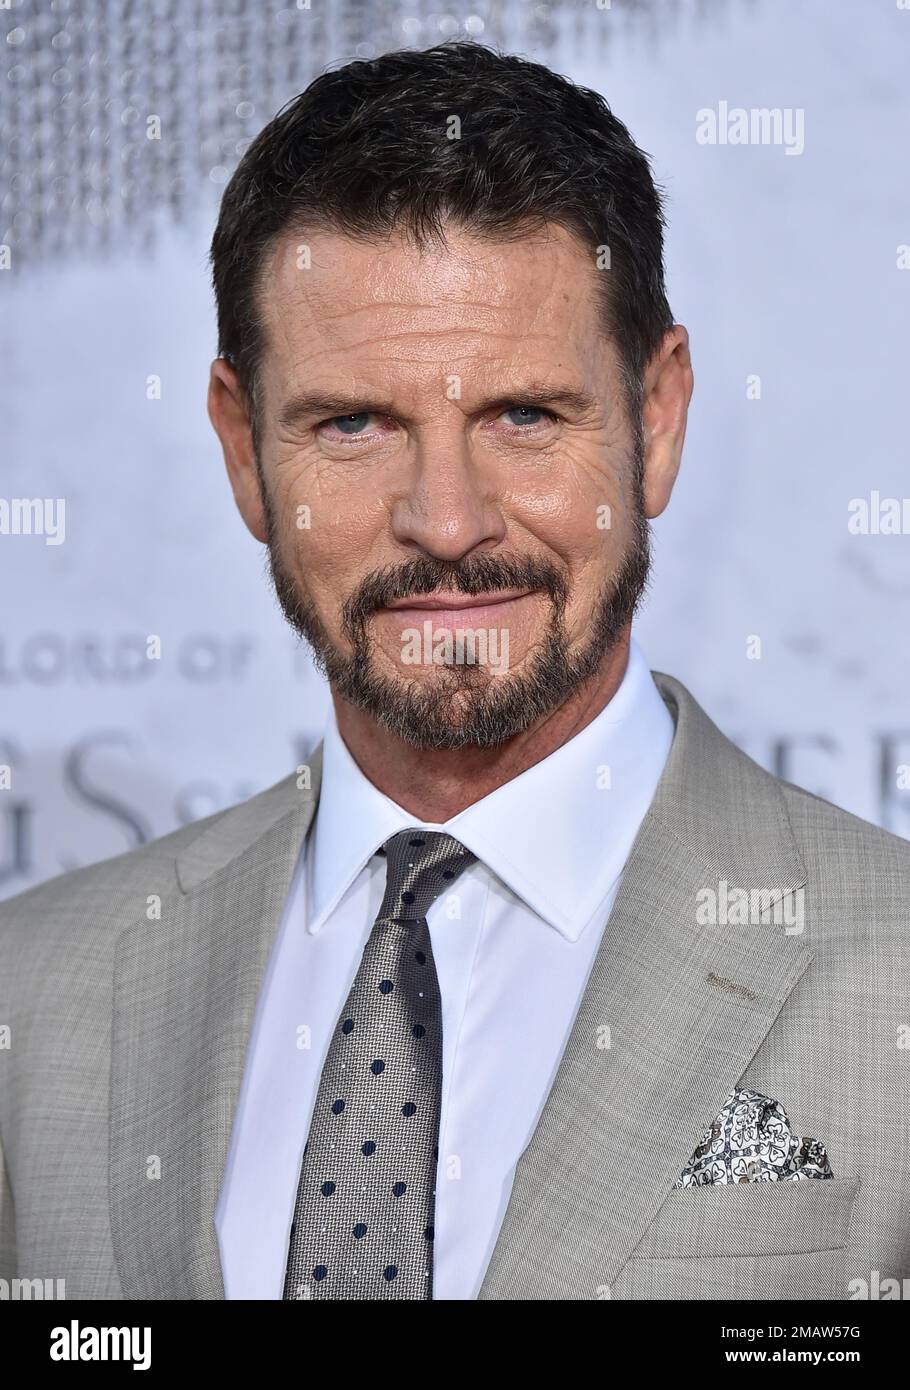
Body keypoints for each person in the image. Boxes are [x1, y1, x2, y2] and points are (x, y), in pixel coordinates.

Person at [1, 40, 908, 1302]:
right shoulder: (31, 998)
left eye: (524, 417)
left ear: (656, 422)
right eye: (353, 425)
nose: (445, 520)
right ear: (243, 449)